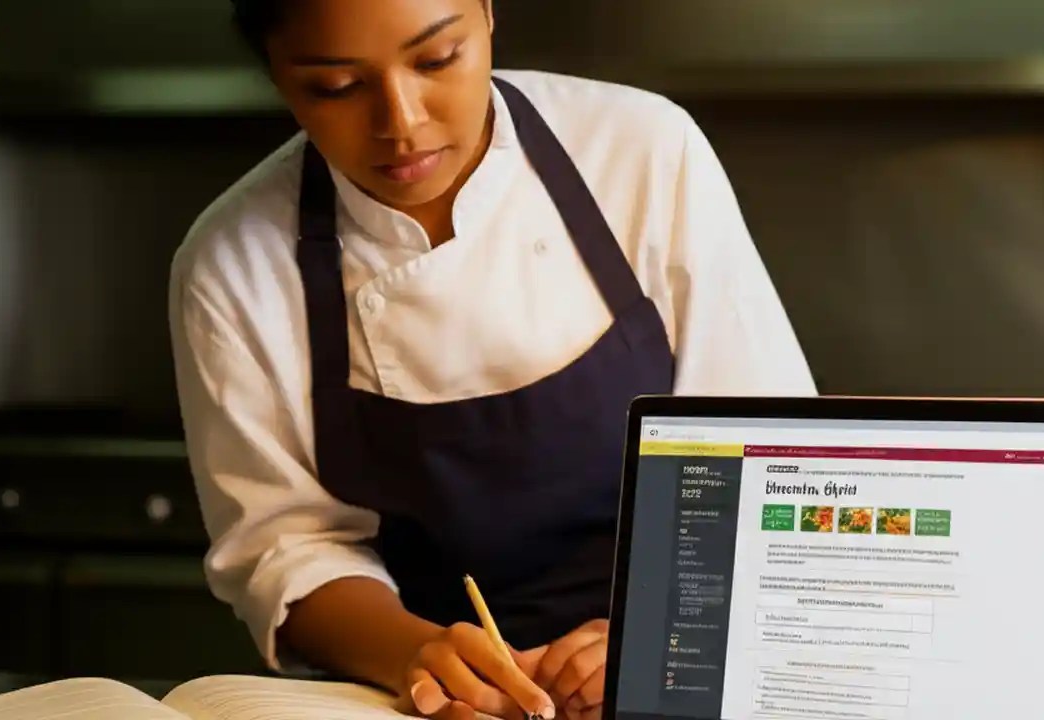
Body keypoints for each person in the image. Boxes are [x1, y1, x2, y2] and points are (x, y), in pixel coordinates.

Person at [168, 1, 815, 719]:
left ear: (486, 14)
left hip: (684, 658)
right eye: (337, 86)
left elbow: (767, 453)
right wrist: (417, 656)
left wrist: (665, 633)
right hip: (414, 695)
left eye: (437, 59)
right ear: (277, 77)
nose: (402, 121)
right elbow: (284, 546)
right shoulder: (234, 262)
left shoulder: (640, 149)